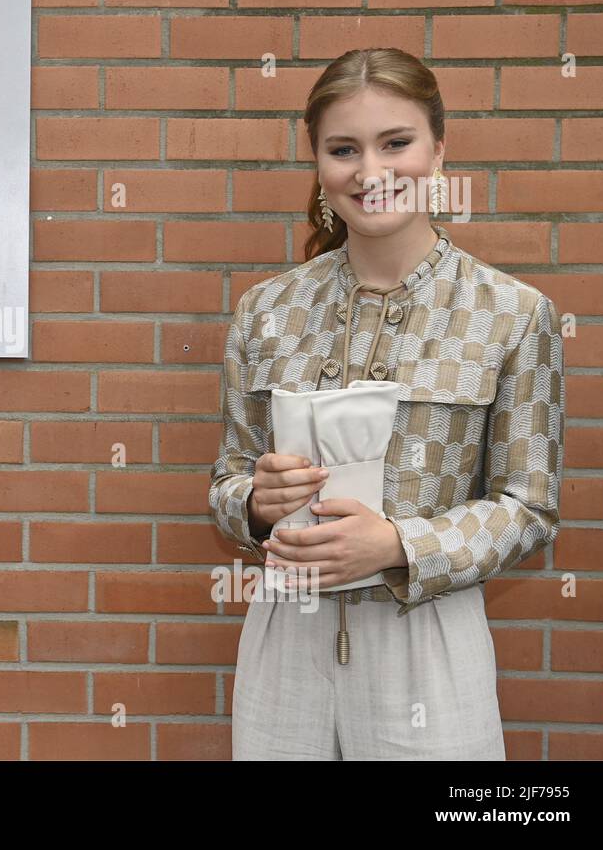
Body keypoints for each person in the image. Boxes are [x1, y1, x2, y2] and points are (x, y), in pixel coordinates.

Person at [208, 48, 564, 760]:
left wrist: (401, 545)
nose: (371, 173)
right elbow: (227, 481)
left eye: (395, 142)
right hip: (287, 632)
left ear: (439, 147)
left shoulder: (513, 312)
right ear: (316, 162)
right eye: (344, 149)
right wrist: (258, 501)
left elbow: (530, 505)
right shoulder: (266, 310)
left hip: (429, 635)